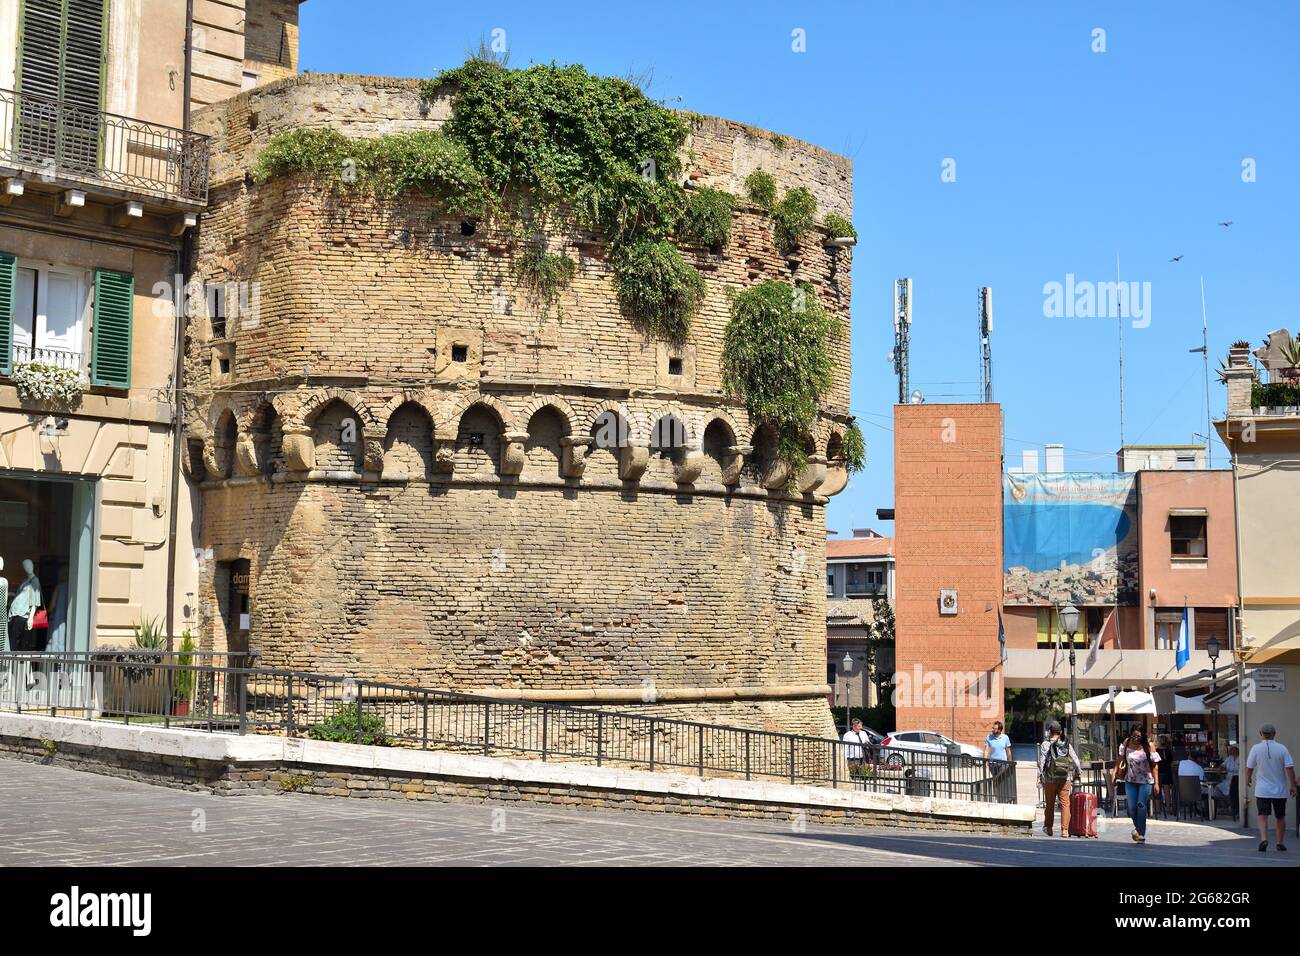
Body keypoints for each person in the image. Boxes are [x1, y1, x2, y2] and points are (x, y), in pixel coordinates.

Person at [1244, 724, 1296, 852]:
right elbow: (1289, 768)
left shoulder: (1256, 748)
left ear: (1260, 733)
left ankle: (1263, 839)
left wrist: (1247, 778)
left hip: (1262, 790)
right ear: (1274, 734)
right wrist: (1293, 785)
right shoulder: (1282, 748)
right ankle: (1280, 843)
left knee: (1262, 815)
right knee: (1280, 816)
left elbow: (1249, 767)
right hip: (1280, 790)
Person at [1114, 724, 1162, 844]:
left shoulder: (1149, 746)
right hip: (1130, 780)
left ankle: (1141, 833)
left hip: (1145, 781)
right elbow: (1120, 759)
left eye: (1138, 736)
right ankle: (1138, 828)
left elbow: (1155, 766)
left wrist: (1156, 783)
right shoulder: (1126, 742)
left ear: (1143, 735)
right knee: (1131, 807)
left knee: (1141, 805)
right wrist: (1114, 773)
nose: (1135, 739)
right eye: (1134, 736)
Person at [1038, 720, 1082, 837]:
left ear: (1050, 732)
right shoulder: (1066, 744)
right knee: (1065, 804)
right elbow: (1076, 760)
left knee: (1050, 804)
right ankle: (1065, 830)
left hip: (1050, 778)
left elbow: (1042, 762)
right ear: (1061, 732)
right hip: (1064, 778)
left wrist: (1039, 776)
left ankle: (1049, 828)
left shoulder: (1045, 744)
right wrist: (1078, 772)